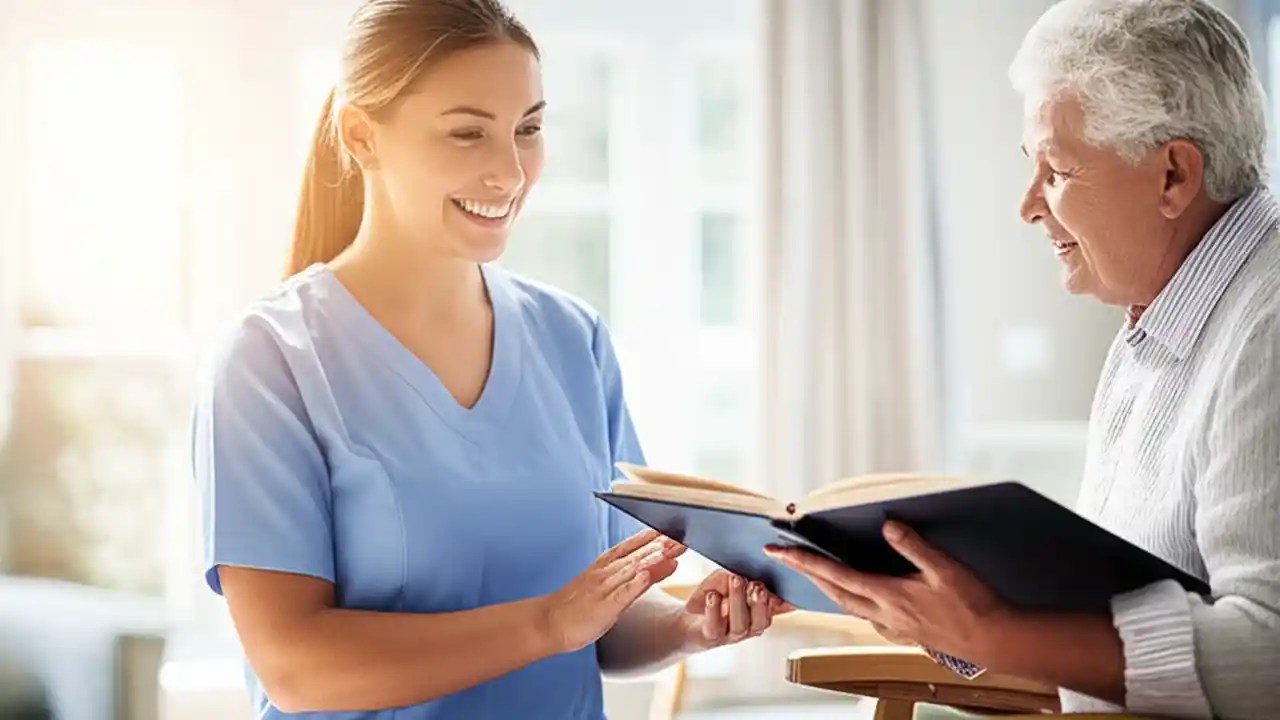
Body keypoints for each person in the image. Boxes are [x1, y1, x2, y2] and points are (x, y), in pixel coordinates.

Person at [190, 1, 786, 718]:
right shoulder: (270, 362)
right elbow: (297, 669)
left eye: (528, 130)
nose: (509, 172)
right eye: (468, 133)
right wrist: (545, 624)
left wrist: (687, 626)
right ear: (361, 136)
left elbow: (599, 624)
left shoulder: (574, 340)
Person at [768, 0, 1280, 717]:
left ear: (1173, 176)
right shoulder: (1157, 323)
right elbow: (1115, 629)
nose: (1028, 205)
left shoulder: (1268, 329)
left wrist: (996, 631)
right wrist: (944, 619)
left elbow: (1267, 657)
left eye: (1059, 170)